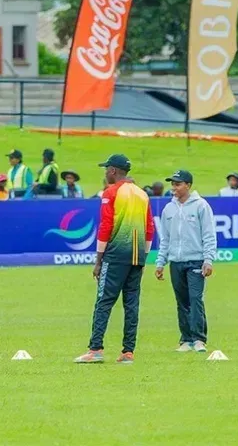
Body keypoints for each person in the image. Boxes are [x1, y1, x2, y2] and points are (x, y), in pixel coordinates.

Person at [74, 154, 154, 364]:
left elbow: (106, 226)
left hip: (116, 255)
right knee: (131, 304)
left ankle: (95, 349)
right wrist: (144, 257)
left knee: (104, 301)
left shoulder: (111, 192)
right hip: (137, 255)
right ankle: (128, 352)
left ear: (113, 170)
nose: (105, 172)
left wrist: (98, 260)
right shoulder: (142, 194)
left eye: (106, 168)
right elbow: (149, 229)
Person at [154, 170, 216, 353]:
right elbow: (164, 238)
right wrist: (160, 262)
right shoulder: (168, 209)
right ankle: (186, 340)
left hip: (196, 260)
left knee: (195, 299)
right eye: (172, 184)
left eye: (178, 184)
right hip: (176, 262)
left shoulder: (201, 206)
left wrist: (208, 259)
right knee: (182, 301)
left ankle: (199, 339)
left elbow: (209, 234)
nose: (174, 188)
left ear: (188, 185)